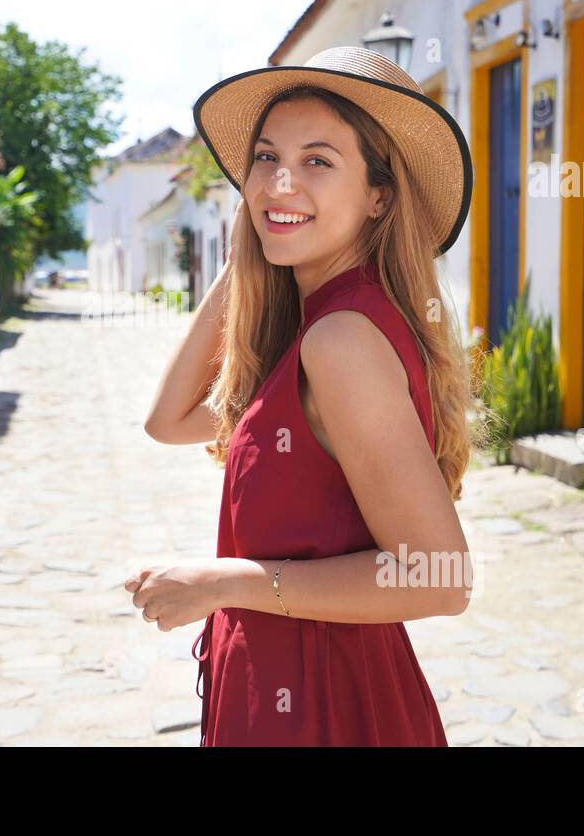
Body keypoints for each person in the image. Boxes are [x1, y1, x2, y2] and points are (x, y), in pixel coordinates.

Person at [131, 46, 475, 746]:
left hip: (325, 708)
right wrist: (249, 257)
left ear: (379, 195)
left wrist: (225, 583)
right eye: (265, 159)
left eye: (317, 161)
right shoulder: (318, 327)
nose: (280, 181)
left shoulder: (340, 340)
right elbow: (167, 421)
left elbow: (441, 579)